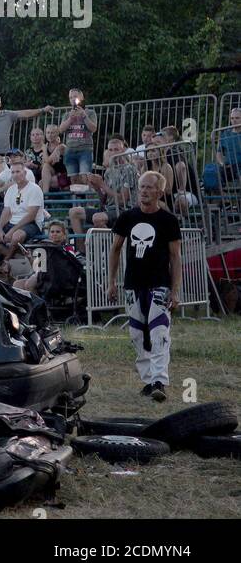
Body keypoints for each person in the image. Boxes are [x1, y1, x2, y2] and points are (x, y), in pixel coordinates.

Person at [108, 172, 182, 402]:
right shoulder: (127, 217)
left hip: (159, 282)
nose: (144, 191)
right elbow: (116, 249)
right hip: (133, 283)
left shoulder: (168, 221)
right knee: (137, 333)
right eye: (141, 187)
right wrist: (111, 281)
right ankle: (149, 380)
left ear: (160, 192)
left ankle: (160, 380)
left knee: (159, 331)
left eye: (150, 187)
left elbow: (175, 257)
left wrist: (175, 290)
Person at [0, 163, 45, 263]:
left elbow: (31, 216)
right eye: (13, 172)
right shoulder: (11, 190)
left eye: (18, 171)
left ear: (25, 172)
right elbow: (6, 211)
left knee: (16, 236)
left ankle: (6, 261)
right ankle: (18, 254)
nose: (15, 175)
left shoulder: (34, 189)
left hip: (32, 224)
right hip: (12, 222)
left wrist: (12, 231)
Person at [13, 220, 70, 294]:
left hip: (57, 278)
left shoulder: (67, 249)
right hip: (42, 275)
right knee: (17, 284)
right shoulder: (44, 247)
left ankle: (38, 304)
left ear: (64, 235)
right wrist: (29, 257)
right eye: (52, 232)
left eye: (58, 232)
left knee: (29, 283)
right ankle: (25, 305)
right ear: (49, 235)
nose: (55, 234)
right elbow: (37, 267)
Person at [58, 88, 98, 186]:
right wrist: (70, 119)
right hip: (70, 150)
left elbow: (93, 128)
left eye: (75, 96)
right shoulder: (67, 114)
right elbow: (61, 129)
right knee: (74, 180)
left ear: (82, 97)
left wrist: (84, 116)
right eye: (70, 97)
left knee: (85, 179)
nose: (72, 99)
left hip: (85, 149)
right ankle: (77, 201)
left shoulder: (90, 113)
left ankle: (89, 201)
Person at [215, 107, 241, 185]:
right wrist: (222, 163)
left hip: (240, 166)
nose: (234, 120)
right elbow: (219, 153)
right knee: (211, 174)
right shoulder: (225, 134)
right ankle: (223, 196)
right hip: (227, 166)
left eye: (237, 118)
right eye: (232, 118)